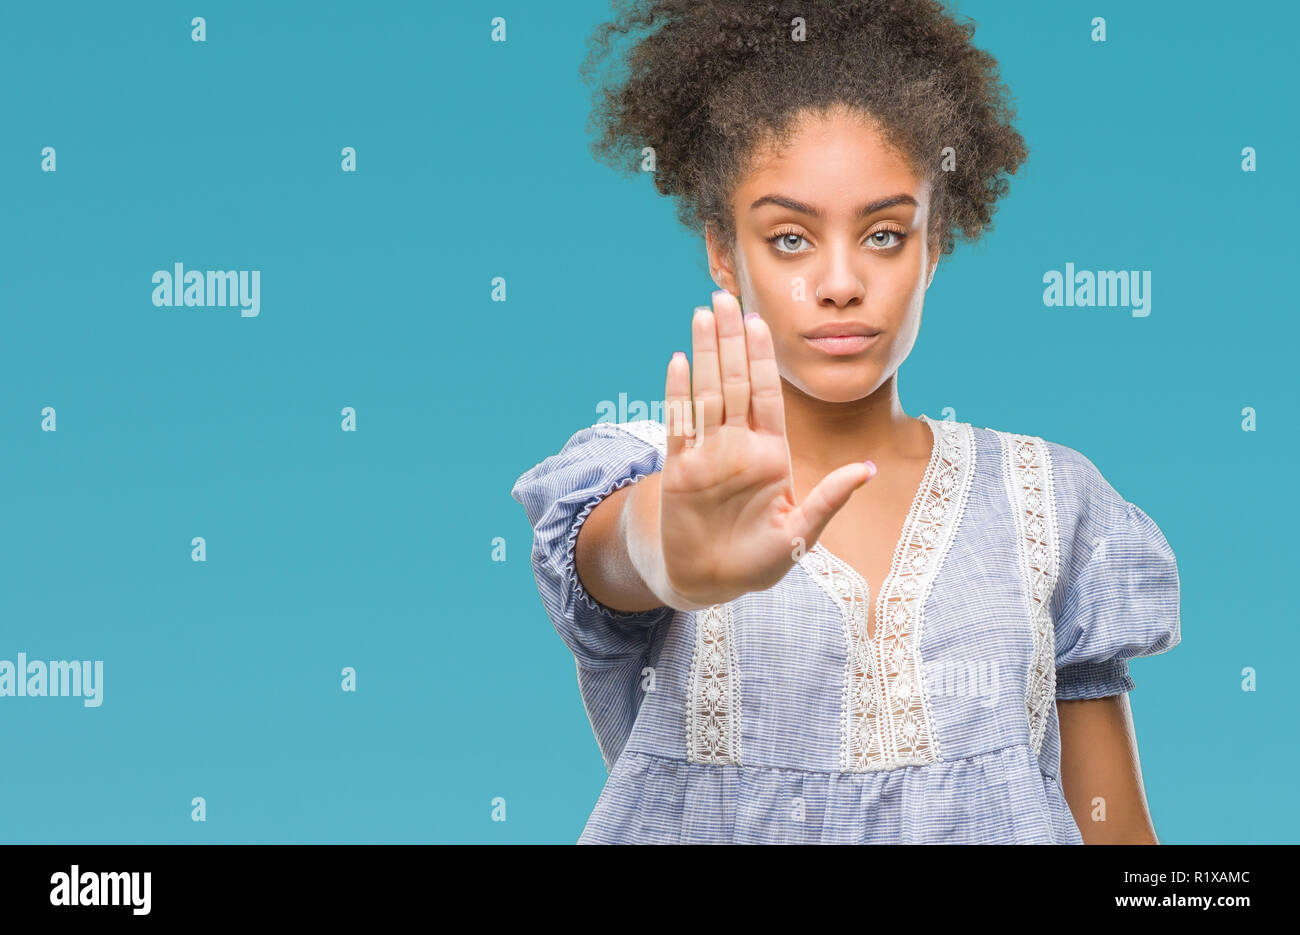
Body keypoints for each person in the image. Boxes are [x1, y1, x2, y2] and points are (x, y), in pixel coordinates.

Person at [511, 0, 1180, 844]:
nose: (838, 281)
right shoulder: (649, 474)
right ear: (722, 250)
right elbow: (607, 554)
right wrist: (664, 551)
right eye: (789, 238)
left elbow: (1121, 843)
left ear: (935, 242)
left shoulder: (1050, 500)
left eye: (885, 234)